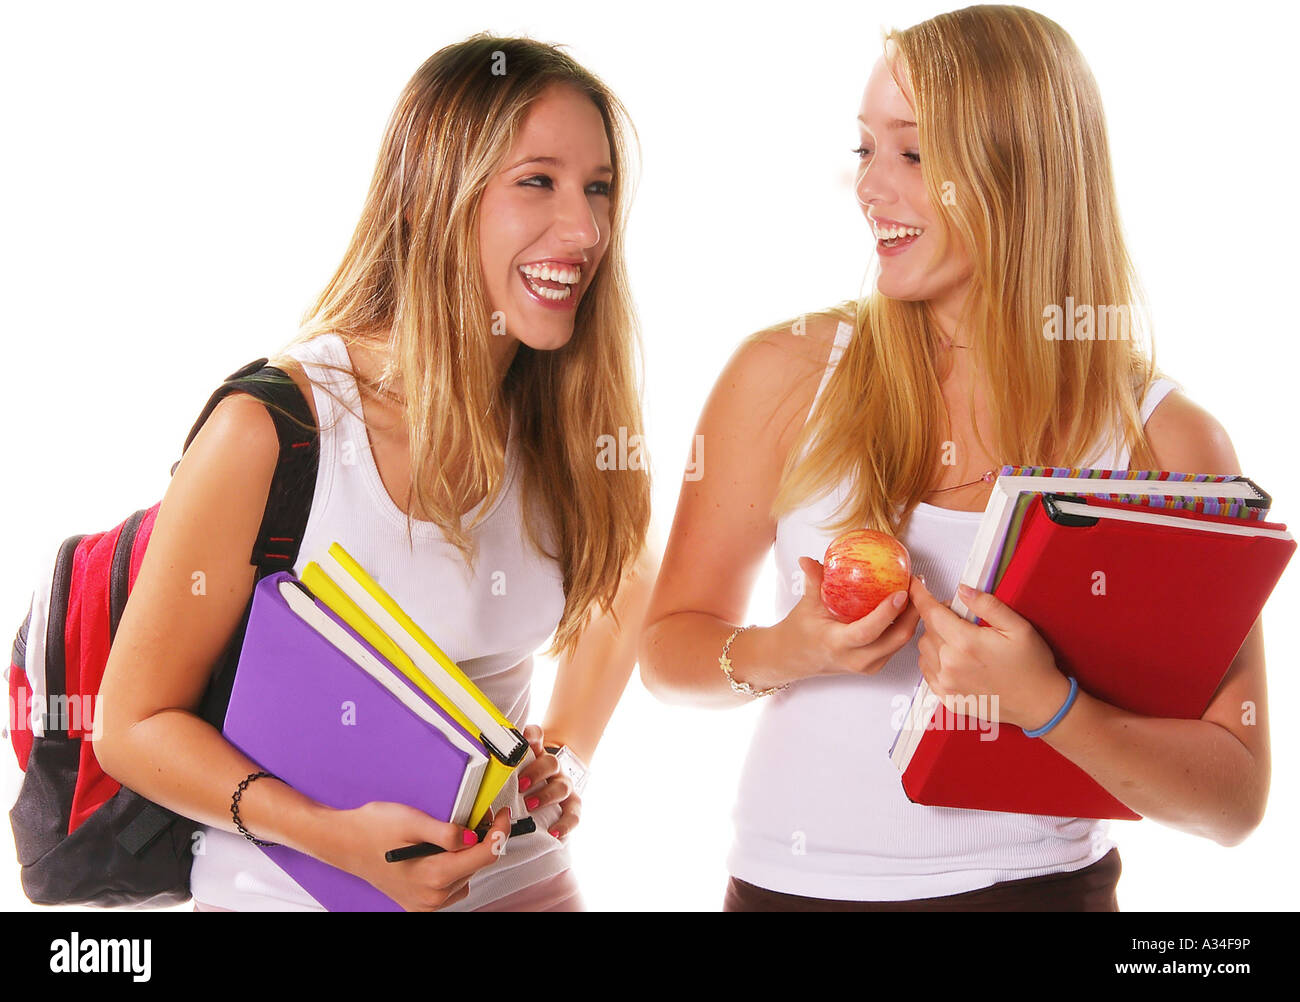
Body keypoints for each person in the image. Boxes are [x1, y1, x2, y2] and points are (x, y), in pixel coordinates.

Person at [638, 5, 1269, 911]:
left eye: (915, 153)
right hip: (788, 890)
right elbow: (668, 650)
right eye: (866, 150)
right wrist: (792, 647)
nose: (869, 188)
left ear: (1024, 171)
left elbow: (1232, 798)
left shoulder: (1161, 443)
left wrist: (1048, 706)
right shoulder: (783, 375)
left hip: (1039, 893)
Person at [96, 33, 655, 912]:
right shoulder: (277, 428)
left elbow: (624, 579)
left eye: (600, 189)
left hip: (526, 887)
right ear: (437, 197)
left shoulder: (570, 414)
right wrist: (330, 836)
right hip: (291, 891)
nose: (585, 231)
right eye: (536, 181)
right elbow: (130, 728)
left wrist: (565, 751)